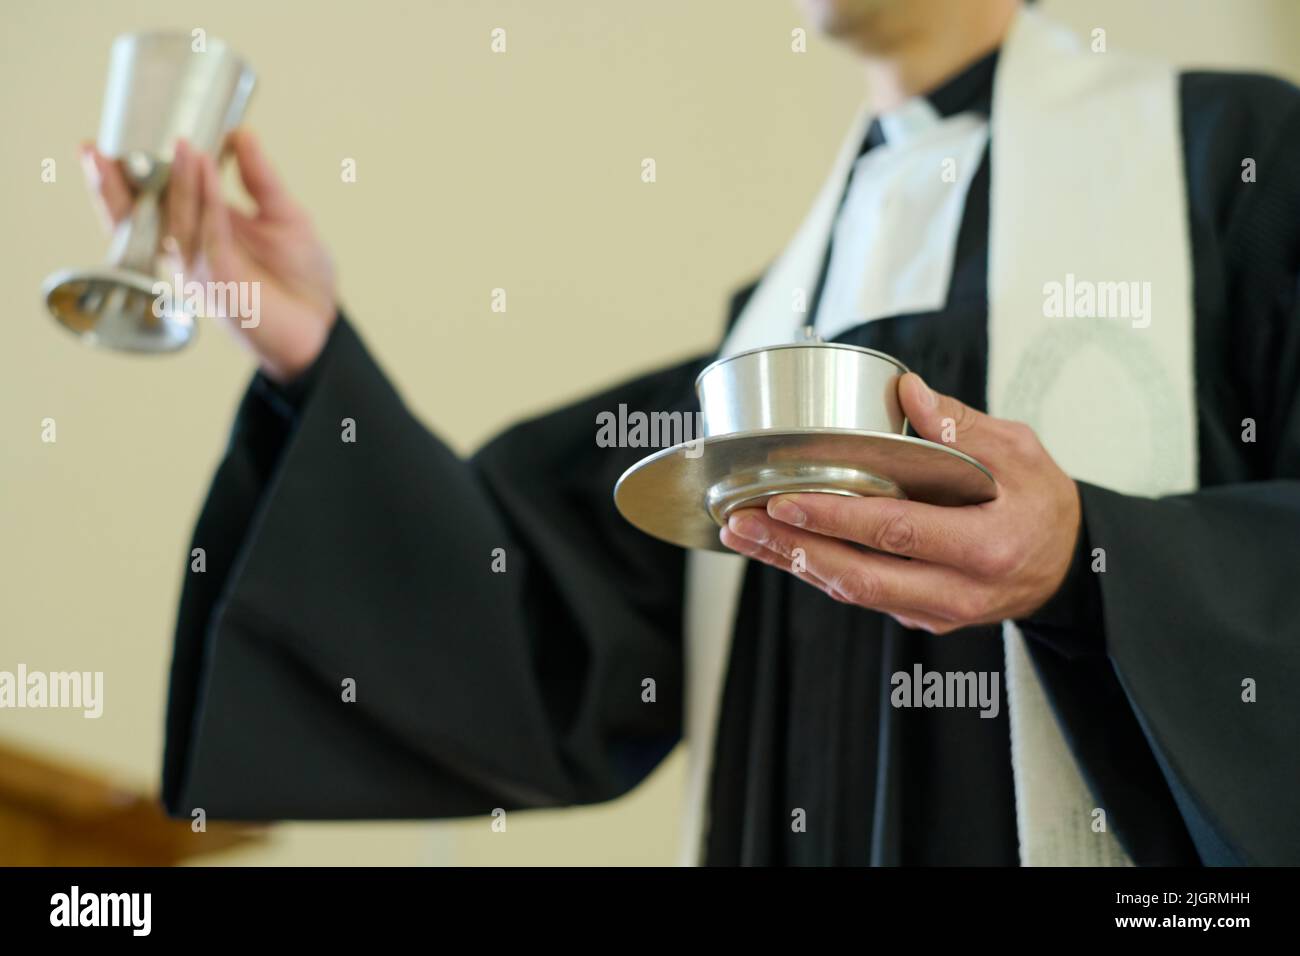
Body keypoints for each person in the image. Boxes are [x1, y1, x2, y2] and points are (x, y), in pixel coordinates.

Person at [82, 0, 1300, 865]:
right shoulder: (775, 317)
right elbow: (543, 614)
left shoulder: (1240, 165)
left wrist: (1095, 561)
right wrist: (309, 348)